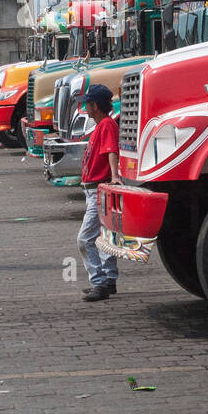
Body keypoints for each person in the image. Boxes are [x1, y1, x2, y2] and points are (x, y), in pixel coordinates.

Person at [77, 84, 120, 302]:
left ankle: (99, 281)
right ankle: (108, 279)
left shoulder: (107, 125)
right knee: (105, 237)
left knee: (85, 239)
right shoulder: (102, 125)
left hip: (98, 191)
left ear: (95, 105)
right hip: (93, 190)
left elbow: (111, 150)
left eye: (87, 103)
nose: (85, 107)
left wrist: (114, 175)